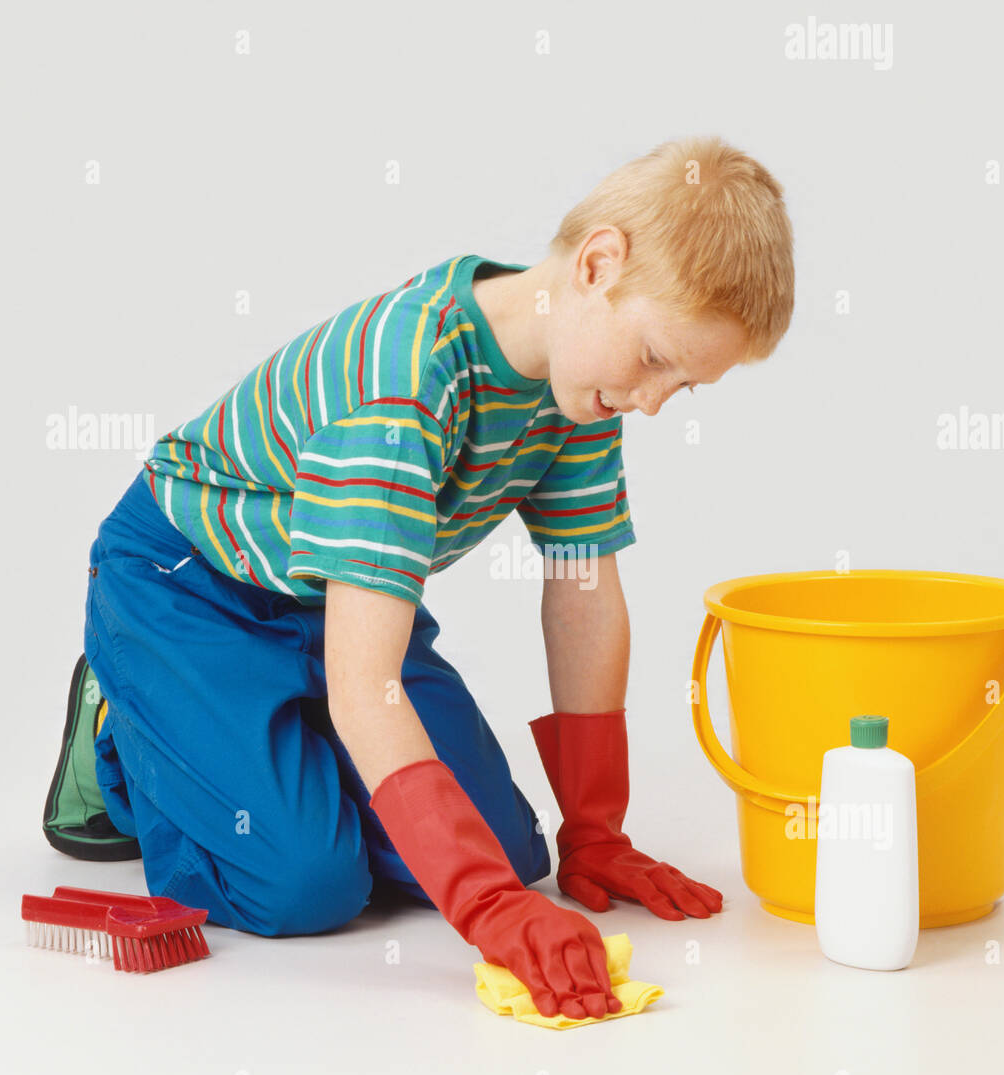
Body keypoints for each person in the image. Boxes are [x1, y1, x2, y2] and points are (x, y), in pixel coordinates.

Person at [42, 135, 795, 1021]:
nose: (656, 400)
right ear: (598, 265)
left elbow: (583, 594)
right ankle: (121, 725)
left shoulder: (581, 387)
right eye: (658, 358)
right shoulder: (404, 385)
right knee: (303, 883)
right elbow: (370, 685)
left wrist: (594, 832)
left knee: (514, 855)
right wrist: (487, 913)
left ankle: (285, 751)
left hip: (341, 603)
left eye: (686, 386)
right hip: (188, 588)